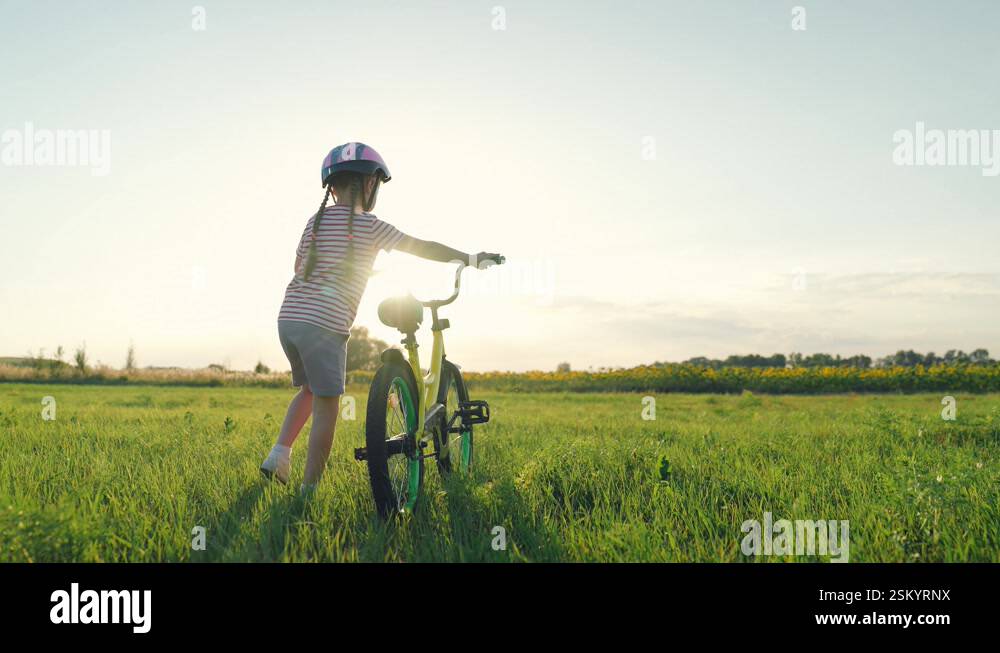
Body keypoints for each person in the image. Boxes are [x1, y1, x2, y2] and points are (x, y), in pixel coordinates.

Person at [259, 142, 498, 493]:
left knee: (309, 390)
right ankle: (307, 493)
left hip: (290, 319)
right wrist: (470, 258)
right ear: (370, 184)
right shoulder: (370, 226)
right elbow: (420, 246)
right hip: (324, 325)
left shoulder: (315, 221)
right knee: (328, 406)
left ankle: (279, 454)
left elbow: (302, 266)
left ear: (332, 187)